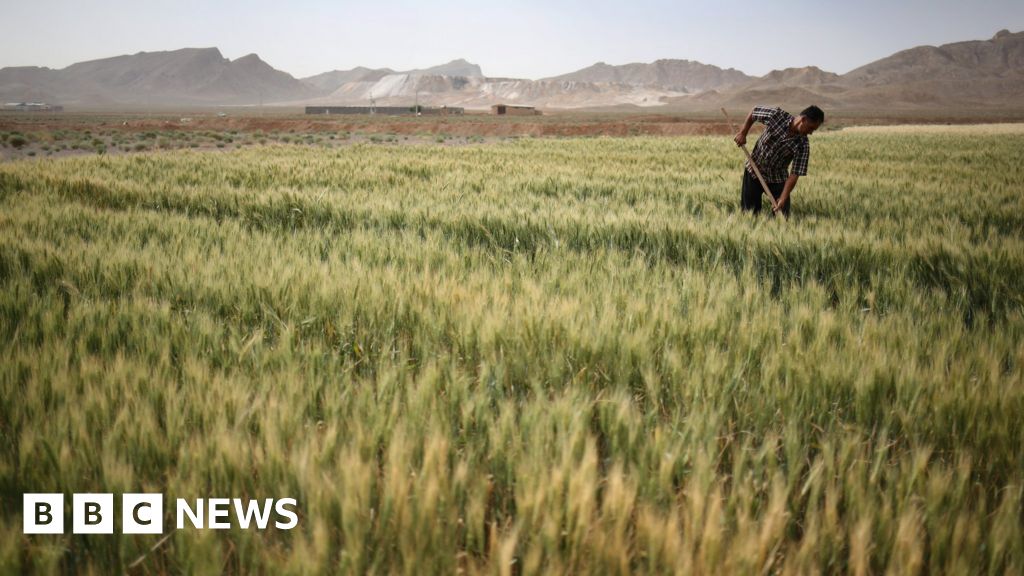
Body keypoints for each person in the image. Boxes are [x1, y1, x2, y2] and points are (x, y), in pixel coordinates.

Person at [734, 105, 824, 217]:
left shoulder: (803, 145)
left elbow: (795, 174)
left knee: (782, 215)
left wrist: (783, 197)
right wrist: (743, 133)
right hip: (754, 171)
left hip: (777, 178)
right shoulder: (776, 115)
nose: (811, 133)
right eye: (811, 128)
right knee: (749, 213)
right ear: (803, 120)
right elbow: (754, 112)